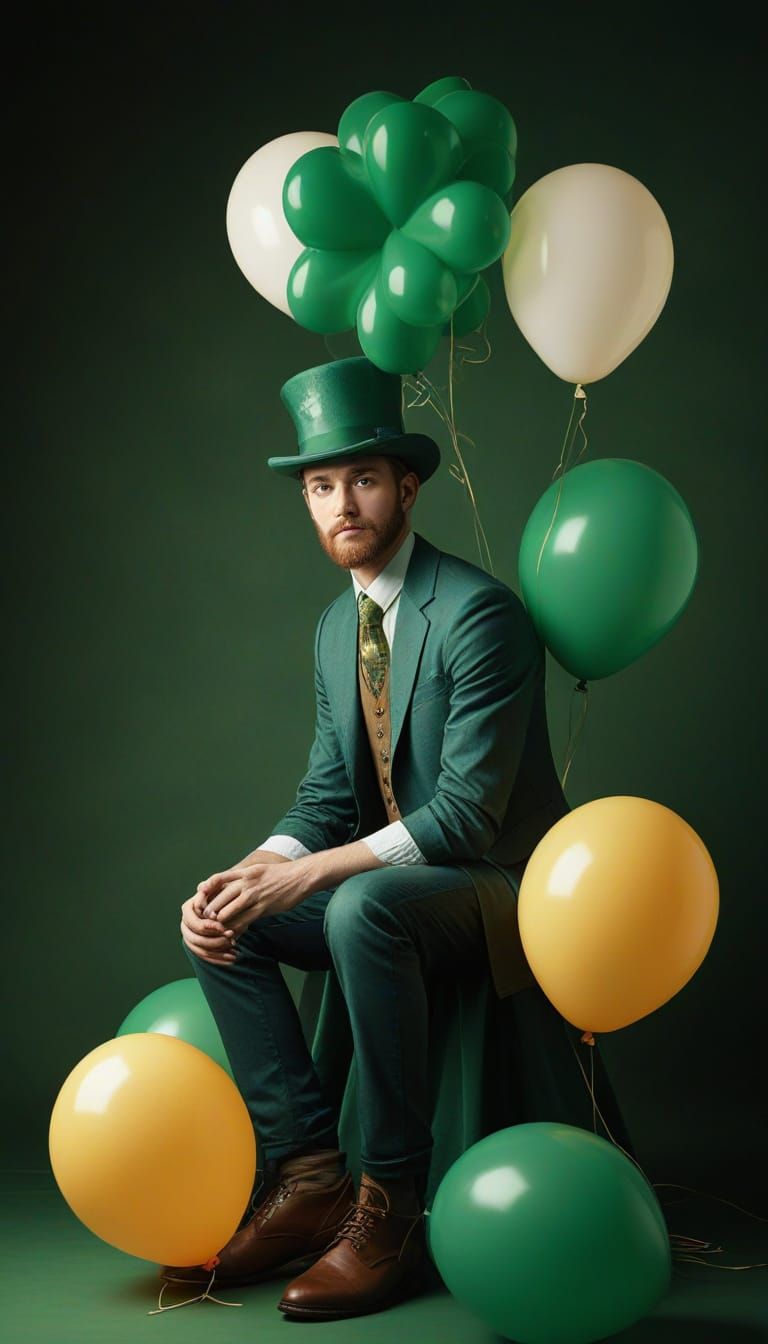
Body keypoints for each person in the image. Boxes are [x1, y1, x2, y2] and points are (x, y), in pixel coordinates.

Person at [163, 355, 576, 1321]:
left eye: (362, 480)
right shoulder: (333, 629)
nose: (342, 504)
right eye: (321, 486)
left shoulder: (479, 615)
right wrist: (251, 873)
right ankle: (310, 1174)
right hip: (391, 892)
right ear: (307, 503)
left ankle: (389, 1204)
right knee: (226, 921)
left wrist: (310, 879)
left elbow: (466, 818)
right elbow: (322, 797)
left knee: (357, 907)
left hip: (500, 889)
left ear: (407, 488)